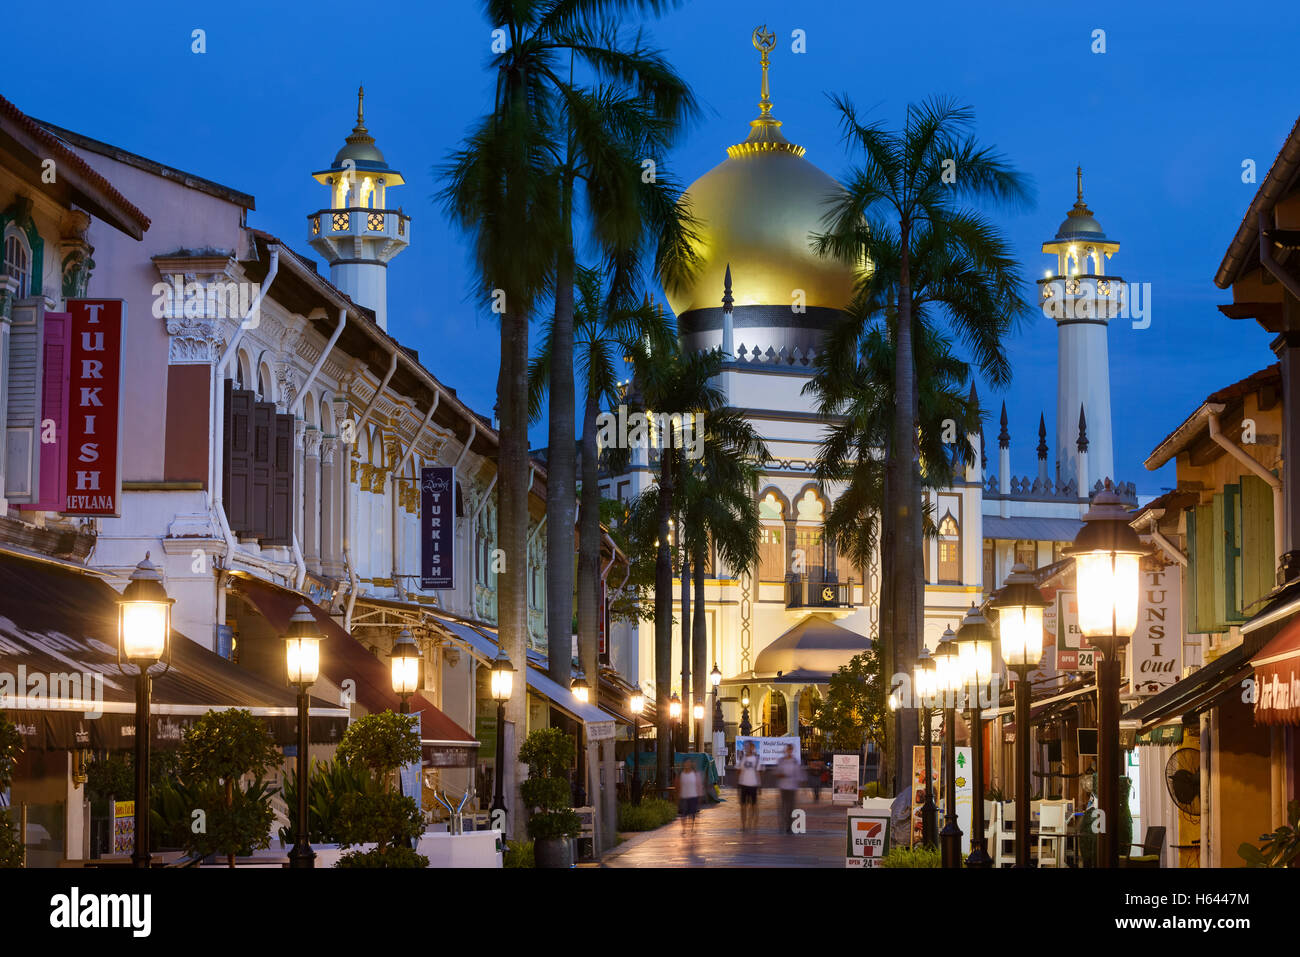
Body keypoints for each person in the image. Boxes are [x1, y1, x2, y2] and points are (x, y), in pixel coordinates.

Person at [737, 741, 761, 830]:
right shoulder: (742, 758)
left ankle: (753, 823)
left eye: (749, 747)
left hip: (753, 785)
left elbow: (758, 772)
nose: (747, 748)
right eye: (746, 747)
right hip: (743, 785)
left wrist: (759, 785)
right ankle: (743, 824)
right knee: (743, 806)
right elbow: (739, 771)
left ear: (752, 748)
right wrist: (738, 785)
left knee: (753, 806)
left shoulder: (756, 759)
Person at [777, 744, 800, 834]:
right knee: (784, 806)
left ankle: (788, 826)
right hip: (783, 787)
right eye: (788, 749)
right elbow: (777, 773)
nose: (789, 751)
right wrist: (782, 775)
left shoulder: (795, 761)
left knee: (790, 807)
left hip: (792, 787)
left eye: (791, 749)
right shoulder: (782, 760)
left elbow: (798, 774)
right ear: (786, 750)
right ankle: (783, 824)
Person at [678, 759, 702, 834]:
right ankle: (684, 829)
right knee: (683, 814)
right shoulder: (681, 774)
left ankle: (692, 828)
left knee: (692, 813)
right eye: (686, 763)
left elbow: (699, 785)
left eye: (688, 763)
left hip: (693, 796)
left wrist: (699, 795)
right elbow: (678, 785)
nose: (687, 764)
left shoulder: (695, 774)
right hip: (684, 796)